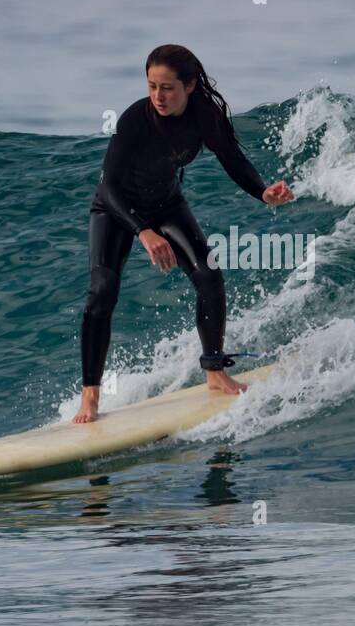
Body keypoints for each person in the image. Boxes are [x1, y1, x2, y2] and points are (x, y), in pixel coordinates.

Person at [72, 45, 294, 423]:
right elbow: (108, 187)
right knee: (103, 290)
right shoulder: (134, 121)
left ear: (190, 85)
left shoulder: (205, 116)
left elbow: (233, 159)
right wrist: (143, 232)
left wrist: (261, 191)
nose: (158, 96)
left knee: (209, 276)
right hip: (115, 210)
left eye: (168, 88)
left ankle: (214, 372)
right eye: (152, 86)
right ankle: (90, 397)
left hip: (166, 204)